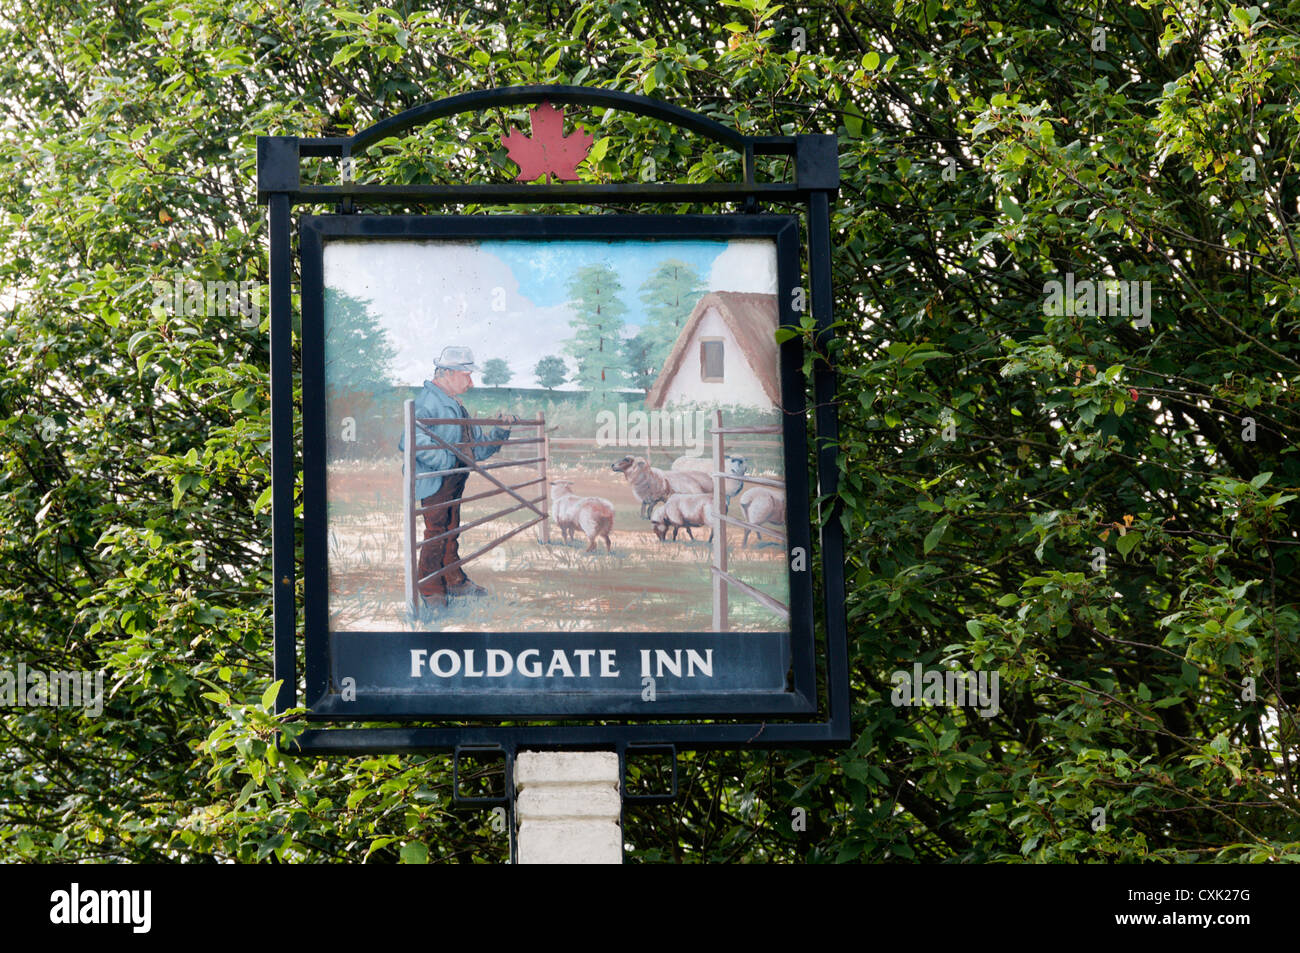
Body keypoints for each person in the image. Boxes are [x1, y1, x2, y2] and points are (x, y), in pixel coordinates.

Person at [399, 346, 517, 608]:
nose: (471, 382)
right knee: (437, 531)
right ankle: (430, 589)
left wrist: (499, 431)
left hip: (454, 478)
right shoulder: (428, 403)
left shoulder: (455, 405)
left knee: (451, 529)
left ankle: (452, 580)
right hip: (437, 479)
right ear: (448, 373)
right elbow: (408, 438)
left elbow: (474, 449)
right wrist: (446, 460)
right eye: (467, 375)